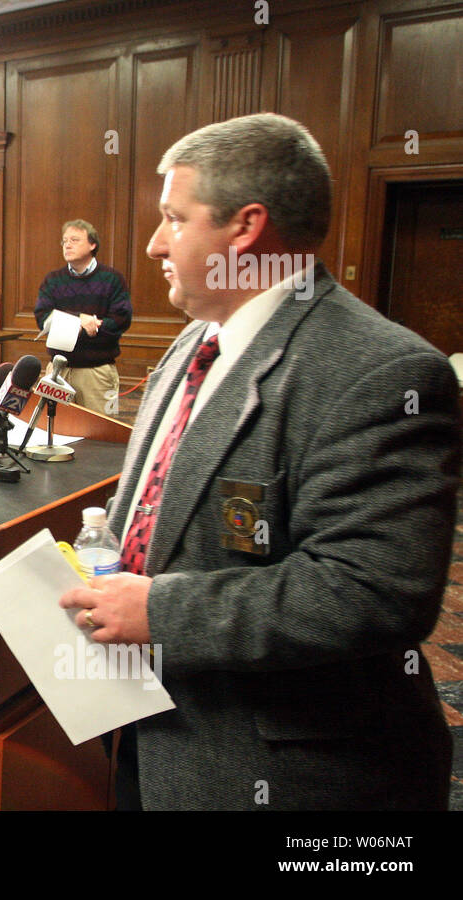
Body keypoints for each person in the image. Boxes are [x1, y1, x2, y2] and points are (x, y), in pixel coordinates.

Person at [58, 113, 460, 810]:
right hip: (154, 739)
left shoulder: (382, 371)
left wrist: (161, 611)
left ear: (245, 229)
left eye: (174, 220)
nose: (154, 244)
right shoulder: (191, 345)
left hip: (290, 774)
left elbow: (373, 591)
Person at [33, 219, 132, 415]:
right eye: (64, 241)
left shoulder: (112, 279)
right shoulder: (53, 280)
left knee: (102, 434)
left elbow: (120, 320)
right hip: (59, 370)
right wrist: (79, 321)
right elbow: (43, 319)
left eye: (75, 240)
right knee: (55, 431)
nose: (67, 245)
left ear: (92, 244)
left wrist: (90, 328)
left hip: (96, 372)